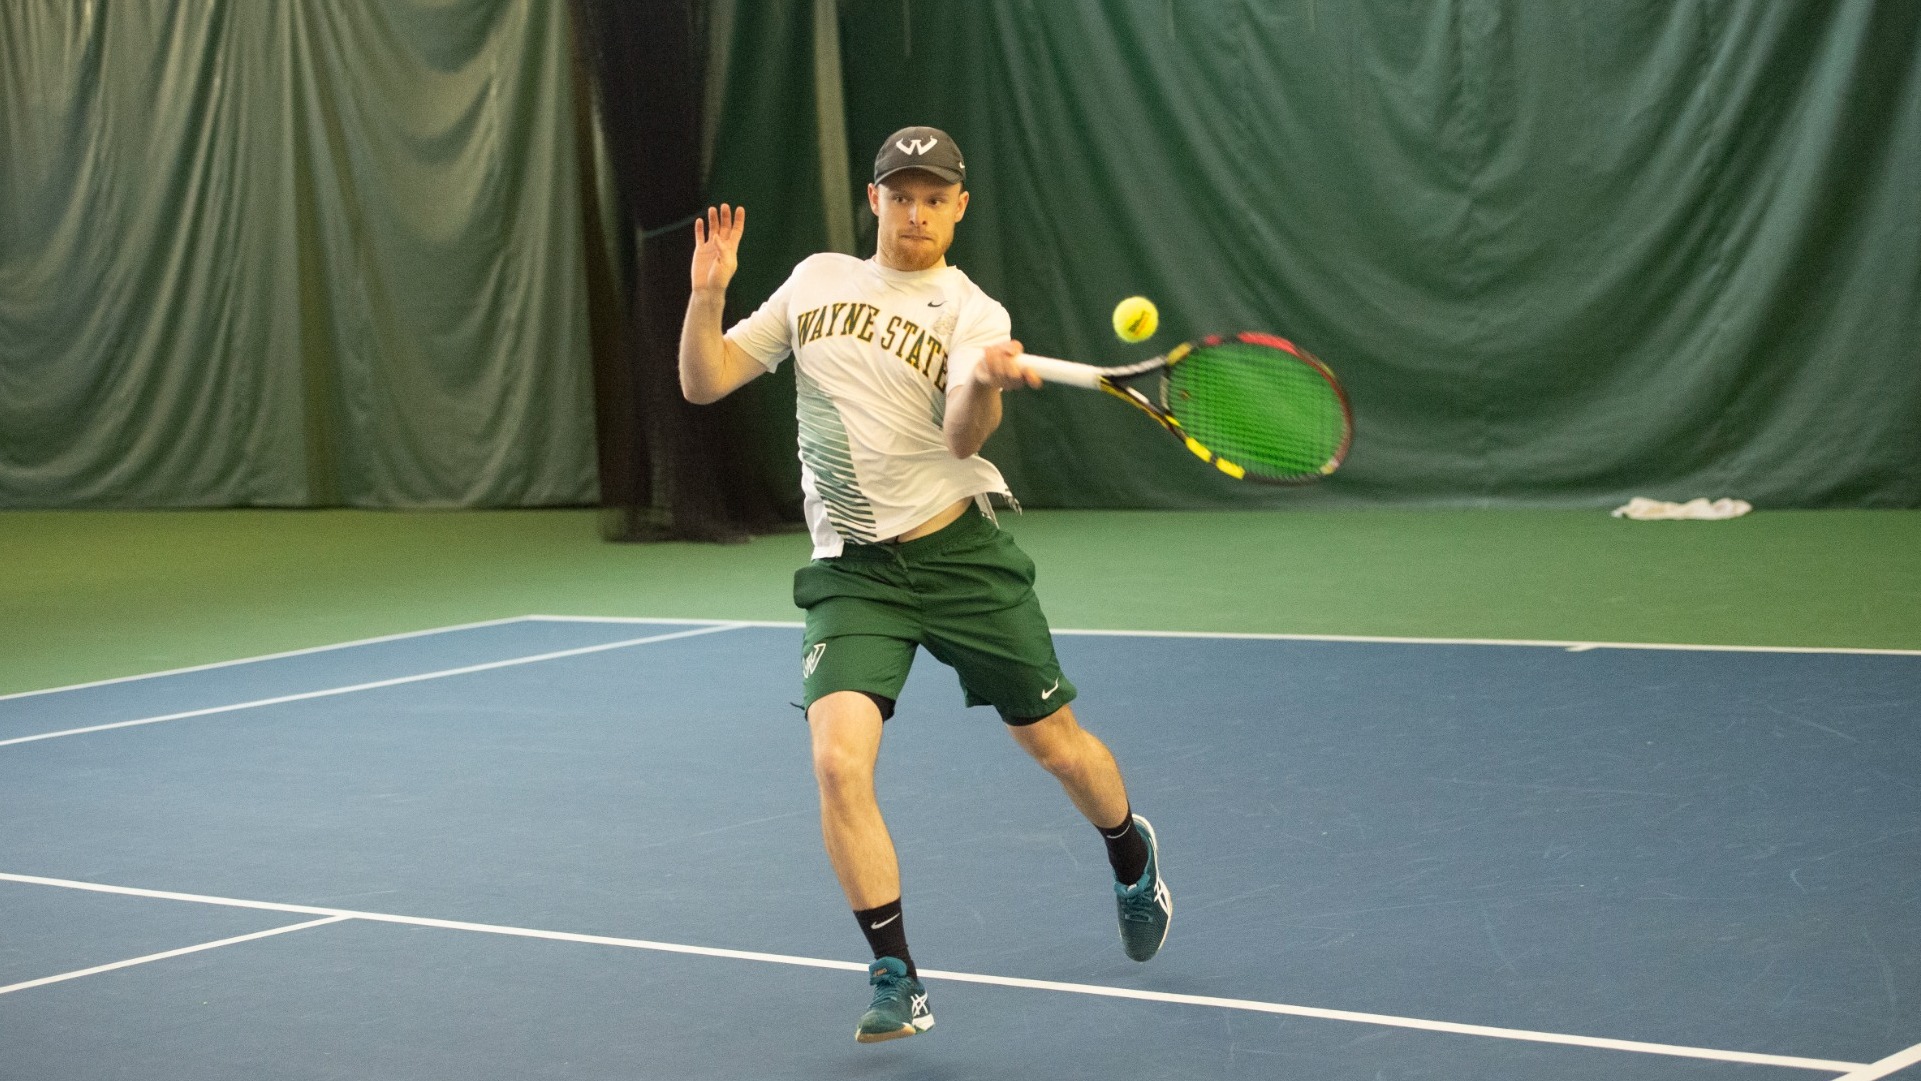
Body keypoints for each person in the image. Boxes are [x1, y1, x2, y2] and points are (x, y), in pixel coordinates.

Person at [677, 125, 1172, 1043]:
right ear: (874, 200)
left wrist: (981, 383)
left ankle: (1128, 850)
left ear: (958, 207)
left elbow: (961, 438)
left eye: (933, 198)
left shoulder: (973, 312)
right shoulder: (814, 280)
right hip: (852, 574)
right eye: (900, 196)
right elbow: (704, 381)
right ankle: (895, 975)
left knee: (1057, 746)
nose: (915, 213)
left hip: (959, 561)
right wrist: (707, 296)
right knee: (836, 761)